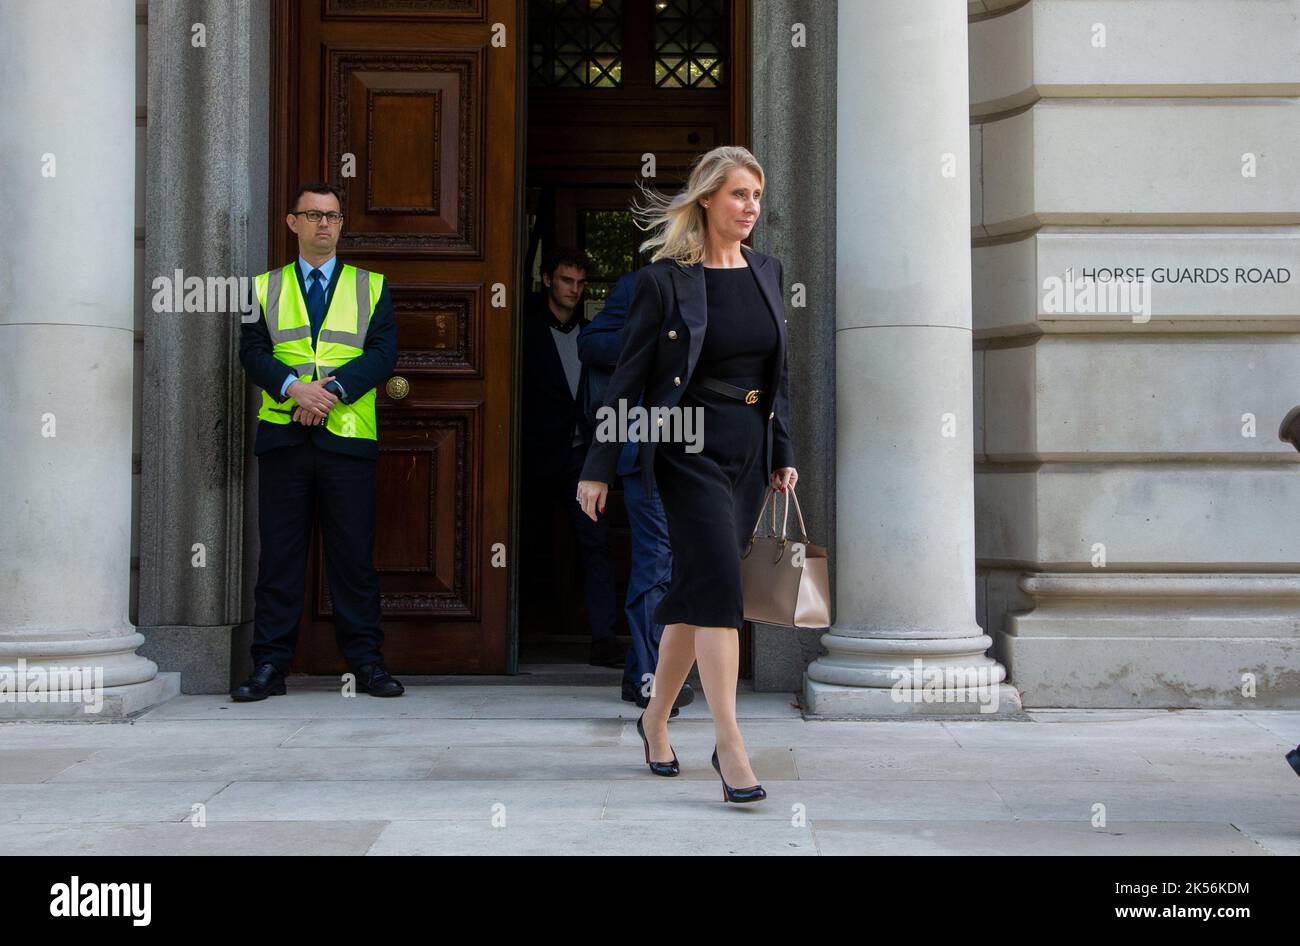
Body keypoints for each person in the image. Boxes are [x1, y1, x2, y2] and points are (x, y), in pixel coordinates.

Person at [577, 146, 798, 802]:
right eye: (737, 194)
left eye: (756, 195)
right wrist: (598, 468)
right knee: (721, 590)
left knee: (692, 595)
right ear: (705, 198)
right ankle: (730, 742)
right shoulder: (663, 282)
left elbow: (776, 375)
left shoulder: (768, 270)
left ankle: (654, 718)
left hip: (748, 451)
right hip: (685, 446)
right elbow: (628, 379)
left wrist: (782, 452)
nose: (749, 207)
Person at [234, 182, 401, 700]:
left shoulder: (371, 286)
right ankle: (270, 667)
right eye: (312, 215)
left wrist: (330, 394)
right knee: (279, 558)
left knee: (353, 559)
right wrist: (295, 390)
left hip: (348, 441)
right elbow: (252, 352)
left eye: (331, 216)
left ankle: (367, 666)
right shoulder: (261, 287)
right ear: (293, 223)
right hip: (285, 440)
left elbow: (382, 353)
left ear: (340, 225)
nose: (324, 224)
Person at [578, 273, 695, 716]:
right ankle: (653, 678)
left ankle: (639, 670)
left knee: (686, 567)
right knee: (656, 563)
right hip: (647, 445)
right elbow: (590, 344)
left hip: (705, 449)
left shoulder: (736, 280)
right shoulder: (640, 286)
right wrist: (653, 338)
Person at [520, 248, 623, 668]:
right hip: (535, 457)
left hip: (584, 460)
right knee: (528, 543)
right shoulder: (524, 331)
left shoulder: (592, 333)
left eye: (581, 283)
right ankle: (517, 637)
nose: (574, 290)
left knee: (596, 545)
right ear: (547, 279)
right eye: (566, 281)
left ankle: (603, 640)